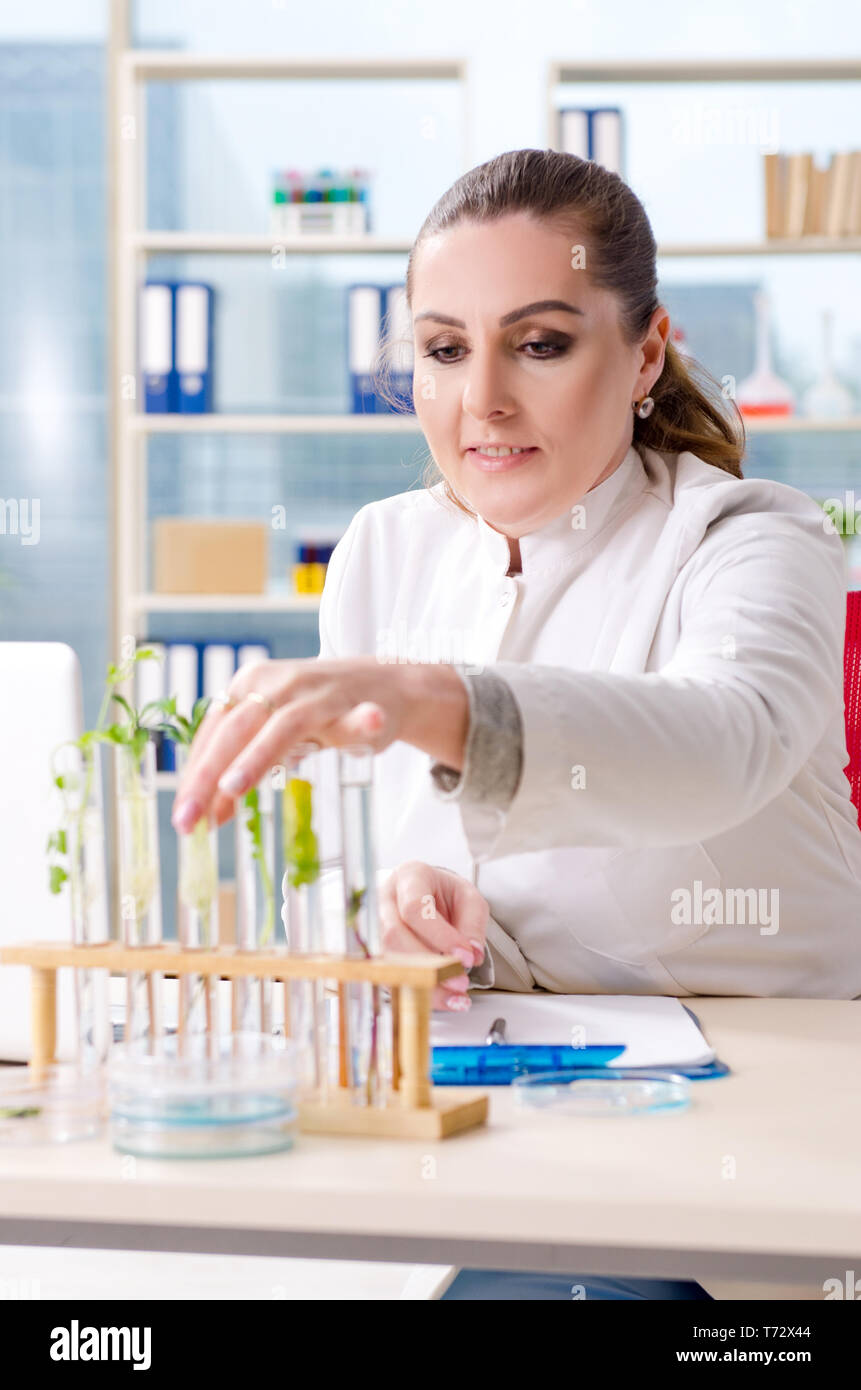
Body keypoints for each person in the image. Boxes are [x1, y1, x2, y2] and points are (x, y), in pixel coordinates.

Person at [172, 149, 861, 1299]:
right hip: (499, 1125)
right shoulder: (384, 552)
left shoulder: (755, 537)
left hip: (762, 1138)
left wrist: (452, 701)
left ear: (645, 353)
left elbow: (726, 738)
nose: (480, 398)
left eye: (539, 343)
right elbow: (378, 875)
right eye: (443, 349)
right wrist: (404, 920)